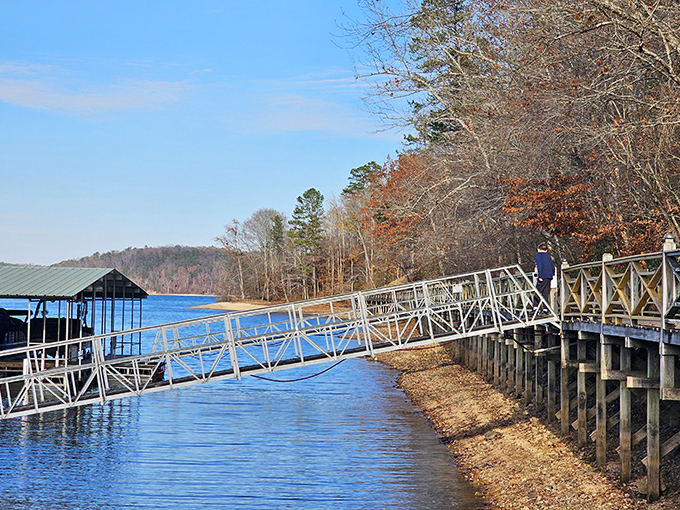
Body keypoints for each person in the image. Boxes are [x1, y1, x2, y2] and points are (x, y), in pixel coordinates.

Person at [534, 243, 555, 311]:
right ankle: (545, 308)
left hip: (542, 275)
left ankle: (535, 306)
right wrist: (552, 273)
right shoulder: (548, 256)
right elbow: (552, 266)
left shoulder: (539, 256)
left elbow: (539, 266)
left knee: (537, 291)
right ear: (546, 250)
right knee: (545, 292)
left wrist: (540, 276)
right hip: (549, 276)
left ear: (538, 249)